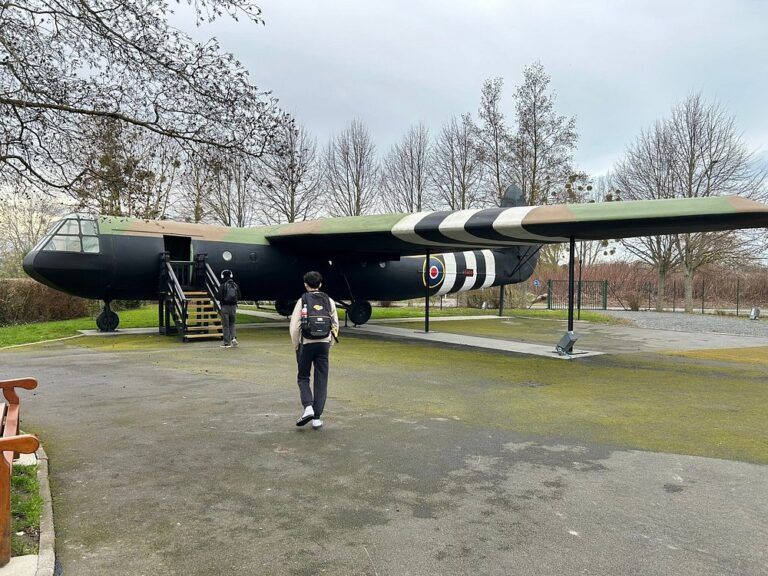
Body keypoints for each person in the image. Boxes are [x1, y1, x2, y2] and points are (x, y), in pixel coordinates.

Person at [289, 271, 339, 430]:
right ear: (320, 284)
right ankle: (317, 417)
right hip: (324, 344)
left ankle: (308, 407)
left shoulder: (302, 300)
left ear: (305, 284)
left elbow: (295, 327)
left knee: (303, 377)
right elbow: (335, 323)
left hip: (307, 343)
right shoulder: (329, 300)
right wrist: (329, 342)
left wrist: (296, 345)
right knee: (321, 379)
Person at [217, 269, 241, 348]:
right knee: (232, 323)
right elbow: (239, 296)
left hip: (225, 307)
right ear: (231, 276)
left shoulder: (223, 285)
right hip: (233, 307)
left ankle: (226, 343)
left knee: (225, 325)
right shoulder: (235, 285)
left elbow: (218, 297)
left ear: (223, 276)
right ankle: (233, 338)